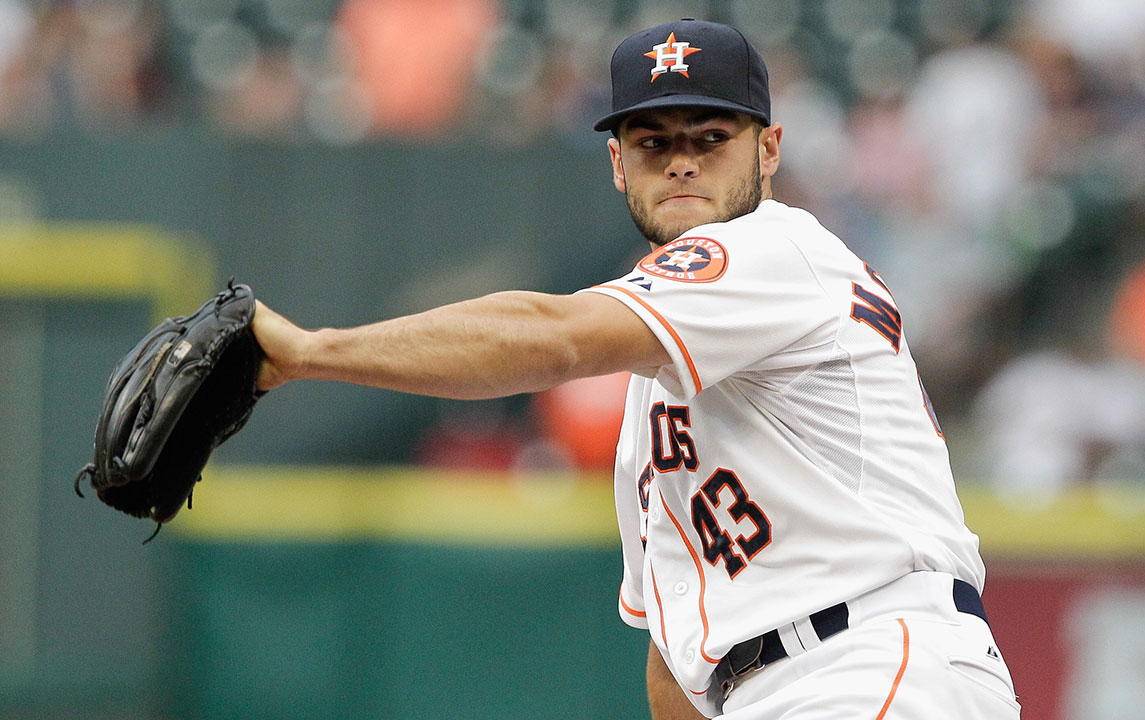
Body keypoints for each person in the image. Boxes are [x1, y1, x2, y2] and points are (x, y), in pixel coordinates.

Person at [250, 18, 1020, 720]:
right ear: (618, 164)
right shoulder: (651, 405)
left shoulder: (772, 251)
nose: (682, 162)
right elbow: (675, 659)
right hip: (780, 688)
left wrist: (310, 352)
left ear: (770, 150)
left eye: (710, 137)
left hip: (871, 661)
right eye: (654, 143)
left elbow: (553, 337)